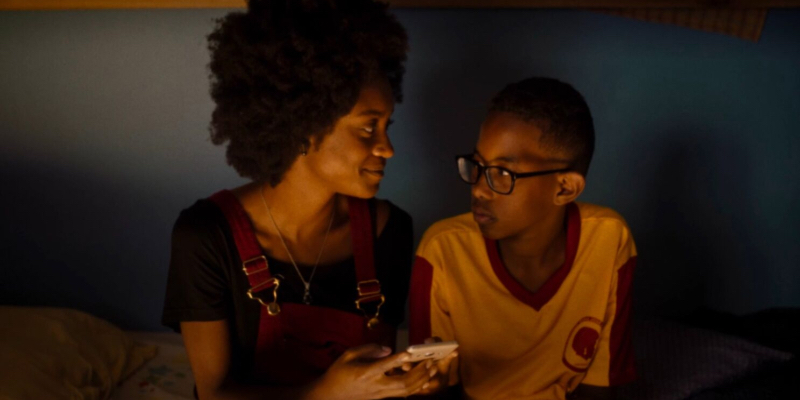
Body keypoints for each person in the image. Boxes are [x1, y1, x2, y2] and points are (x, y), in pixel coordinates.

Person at [162, 1, 437, 398]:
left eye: (386, 126)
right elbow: (214, 394)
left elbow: (377, 375)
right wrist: (324, 394)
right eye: (367, 128)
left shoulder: (389, 230)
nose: (387, 148)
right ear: (305, 127)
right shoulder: (205, 236)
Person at [409, 77, 637, 400]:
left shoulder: (609, 239)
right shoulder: (443, 252)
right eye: (478, 165)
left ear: (564, 188)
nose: (478, 188)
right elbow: (430, 390)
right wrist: (430, 383)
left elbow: (604, 387)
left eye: (503, 173)